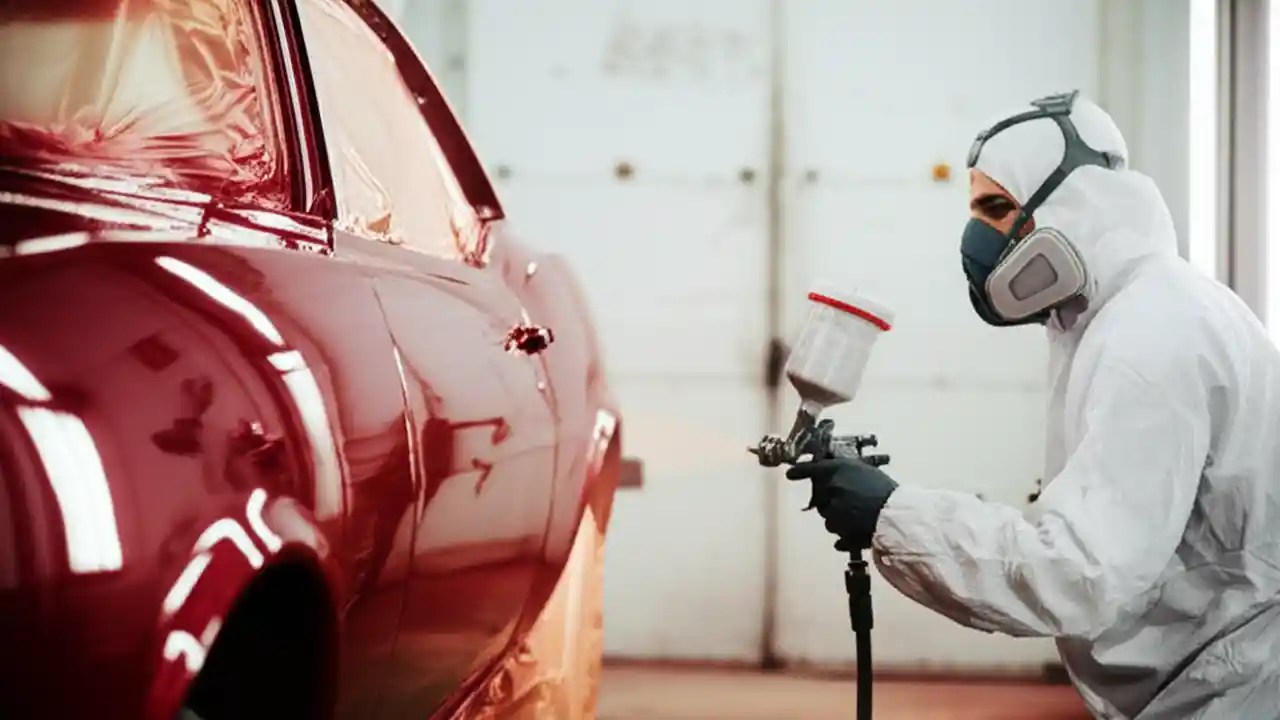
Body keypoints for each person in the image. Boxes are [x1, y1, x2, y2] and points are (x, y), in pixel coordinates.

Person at [786, 90, 1280, 719]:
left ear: (1071, 208)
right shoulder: (1119, 314)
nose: (977, 237)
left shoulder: (1153, 335)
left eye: (996, 207)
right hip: (1214, 681)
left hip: (1230, 695)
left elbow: (1081, 572)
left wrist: (892, 512)